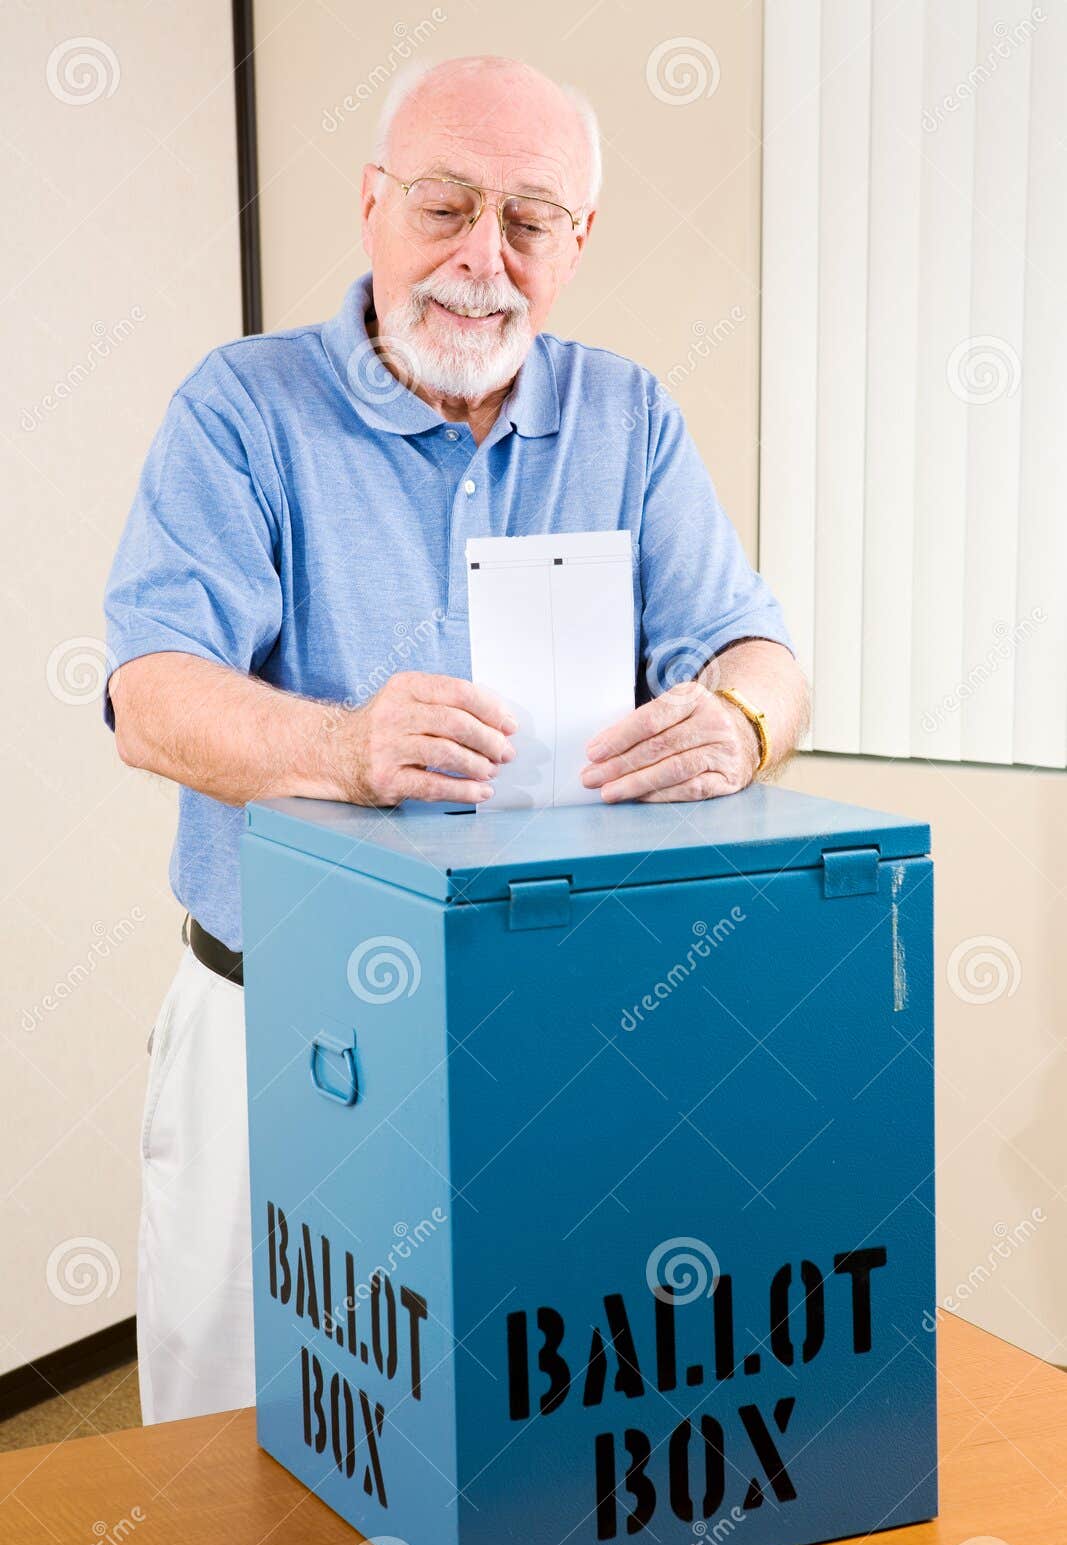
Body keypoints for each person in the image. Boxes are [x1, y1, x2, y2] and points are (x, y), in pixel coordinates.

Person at [103, 55, 809, 1424]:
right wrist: (346, 746)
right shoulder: (241, 407)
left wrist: (737, 721)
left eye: (531, 221)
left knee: (522, 1429)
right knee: (231, 1435)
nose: (483, 259)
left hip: (560, 1030)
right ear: (373, 205)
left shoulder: (628, 415)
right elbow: (149, 696)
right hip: (283, 1022)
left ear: (577, 245)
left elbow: (764, 657)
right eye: (445, 207)